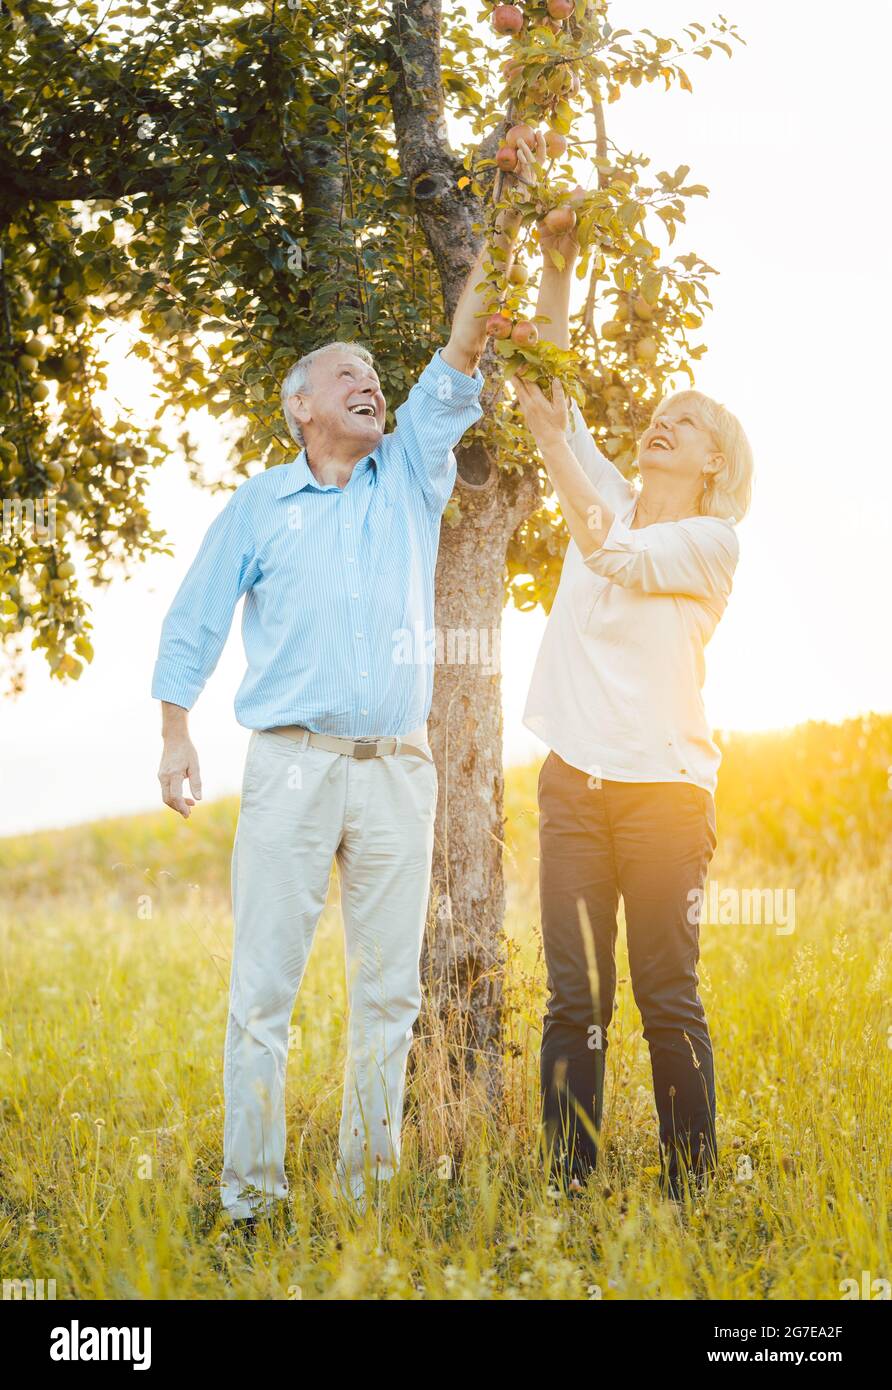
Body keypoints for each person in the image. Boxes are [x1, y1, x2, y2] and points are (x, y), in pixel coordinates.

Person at [152, 244, 504, 1221]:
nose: (369, 384)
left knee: (388, 993)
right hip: (293, 767)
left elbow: (460, 352)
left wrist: (507, 209)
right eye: (346, 372)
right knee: (263, 993)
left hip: (398, 770)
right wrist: (175, 729)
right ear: (300, 404)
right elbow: (197, 613)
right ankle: (249, 1202)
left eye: (375, 377)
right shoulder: (261, 501)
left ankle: (367, 1199)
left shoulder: (411, 474)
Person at [512, 136, 755, 1201]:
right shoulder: (603, 486)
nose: (666, 418)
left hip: (664, 795)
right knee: (575, 1000)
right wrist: (558, 262)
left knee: (666, 991)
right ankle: (569, 1186)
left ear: (715, 462)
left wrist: (559, 455)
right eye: (663, 409)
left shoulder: (710, 544)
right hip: (574, 786)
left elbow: (601, 538)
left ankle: (691, 1185)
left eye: (689, 422)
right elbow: (550, 397)